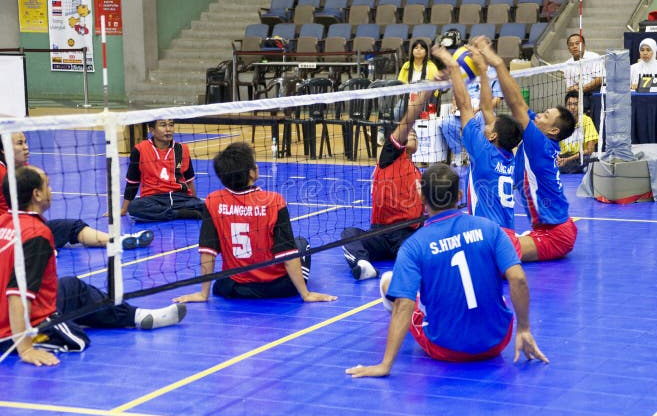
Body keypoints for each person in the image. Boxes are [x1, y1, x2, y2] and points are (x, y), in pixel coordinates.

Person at [345, 163, 548, 378]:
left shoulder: (413, 246)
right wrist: (524, 328)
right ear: (459, 195)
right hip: (497, 343)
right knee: (496, 294)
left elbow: (403, 305)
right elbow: (518, 279)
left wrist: (385, 365)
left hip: (446, 349)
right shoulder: (490, 228)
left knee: (389, 282)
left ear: (421, 198)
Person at [0, 166, 187, 366]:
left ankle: (139, 316)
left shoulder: (4, 221)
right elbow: (18, 295)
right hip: (12, 331)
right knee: (78, 339)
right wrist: (25, 348)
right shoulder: (37, 234)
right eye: (47, 185)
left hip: (15, 311)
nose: (51, 190)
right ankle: (28, 337)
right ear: (37, 194)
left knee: (73, 287)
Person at [173, 143, 336, 303]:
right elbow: (287, 254)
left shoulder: (213, 201)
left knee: (222, 280)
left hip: (234, 288)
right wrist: (305, 294)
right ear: (252, 173)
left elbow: (207, 251)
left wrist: (203, 294)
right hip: (276, 288)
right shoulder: (274, 201)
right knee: (301, 244)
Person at [473, 36, 578, 263]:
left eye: (545, 116)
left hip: (555, 235)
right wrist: (482, 71)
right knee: (488, 243)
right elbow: (497, 112)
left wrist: (497, 63)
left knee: (494, 251)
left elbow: (517, 103)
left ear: (553, 131)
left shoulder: (539, 143)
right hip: (548, 227)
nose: (538, 115)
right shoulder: (539, 137)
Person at [0, 132, 153, 250]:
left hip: (28, 228)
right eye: (20, 143)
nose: (26, 147)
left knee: (73, 226)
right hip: (8, 233)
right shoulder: (2, 172)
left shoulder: (24, 167)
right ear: (4, 149)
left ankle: (118, 240)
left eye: (26, 142)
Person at [340, 89, 431, 280]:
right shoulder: (389, 158)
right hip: (380, 233)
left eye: (414, 134)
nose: (412, 135)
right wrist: (426, 92)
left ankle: (411, 263)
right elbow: (407, 122)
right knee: (349, 234)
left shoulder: (417, 172)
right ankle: (364, 266)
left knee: (424, 243)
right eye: (409, 133)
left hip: (406, 234)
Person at [431, 44, 522, 229]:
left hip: (486, 235)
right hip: (509, 234)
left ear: (492, 136)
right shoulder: (509, 157)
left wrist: (452, 64)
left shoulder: (483, 152)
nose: (486, 125)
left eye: (489, 126)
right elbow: (487, 108)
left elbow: (464, 105)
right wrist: (482, 70)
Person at [122, 119, 206, 222]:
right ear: (152, 130)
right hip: (153, 199)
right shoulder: (140, 150)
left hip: (179, 197)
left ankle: (169, 212)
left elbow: (189, 180)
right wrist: (124, 209)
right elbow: (132, 183)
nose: (168, 129)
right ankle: (179, 213)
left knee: (207, 207)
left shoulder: (182, 148)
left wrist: (195, 201)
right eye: (163, 125)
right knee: (134, 207)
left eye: (171, 125)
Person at [439, 54, 504, 167]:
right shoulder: (466, 70)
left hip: (483, 110)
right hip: (464, 110)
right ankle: (459, 153)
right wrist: (455, 106)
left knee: (481, 119)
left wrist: (480, 108)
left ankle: (478, 155)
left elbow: (497, 100)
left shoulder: (495, 73)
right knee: (446, 123)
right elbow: (457, 92)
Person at [557, 90, 598, 174]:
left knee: (591, 158)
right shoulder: (559, 121)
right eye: (569, 104)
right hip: (562, 158)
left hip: (579, 158)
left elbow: (590, 149)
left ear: (581, 106)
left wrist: (568, 159)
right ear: (565, 106)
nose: (572, 107)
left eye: (576, 104)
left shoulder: (586, 120)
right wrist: (558, 158)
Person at [563, 34, 605, 106]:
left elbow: (599, 79)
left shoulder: (594, 57)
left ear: (584, 46)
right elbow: (569, 88)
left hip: (597, 90)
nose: (574, 46)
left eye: (577, 43)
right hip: (579, 94)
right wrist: (576, 89)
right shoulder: (567, 65)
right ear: (568, 48)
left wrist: (582, 88)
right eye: (571, 44)